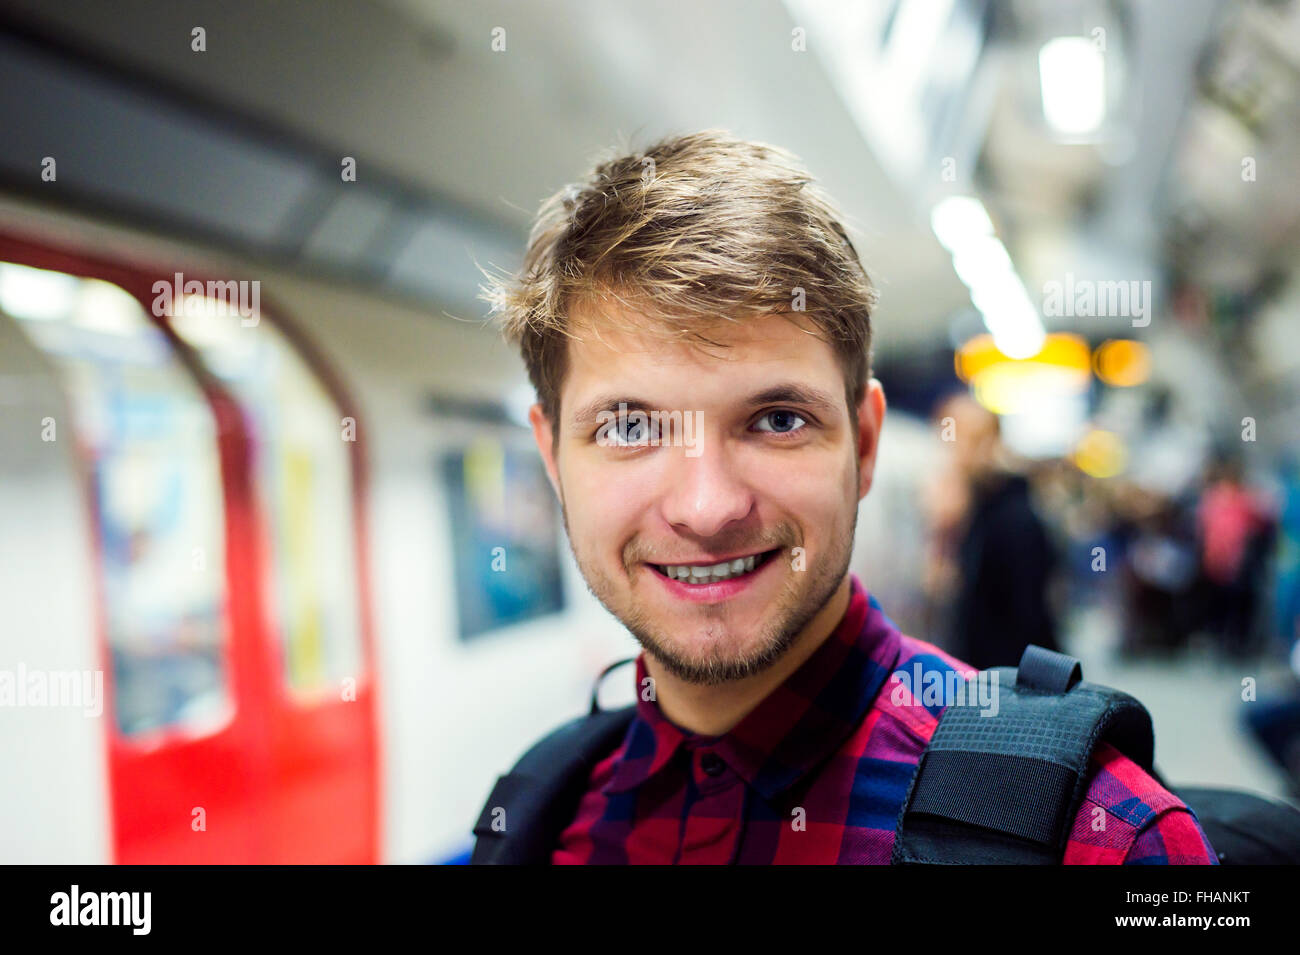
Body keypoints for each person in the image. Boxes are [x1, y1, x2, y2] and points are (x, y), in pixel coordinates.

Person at [475, 129, 1216, 864]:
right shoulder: (539, 818)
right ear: (552, 455)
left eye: (776, 420)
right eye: (631, 425)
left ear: (864, 443)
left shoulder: (1107, 841)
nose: (706, 507)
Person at [925, 392, 1060, 670]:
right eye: (949, 436)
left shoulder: (1015, 519)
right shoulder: (960, 513)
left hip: (1001, 687)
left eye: (971, 438)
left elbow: (1031, 620)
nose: (958, 450)